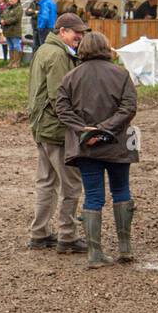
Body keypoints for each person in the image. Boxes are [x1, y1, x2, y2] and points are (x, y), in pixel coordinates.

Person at [55, 31, 139, 268]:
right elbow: (129, 107)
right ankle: (125, 248)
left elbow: (61, 109)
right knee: (121, 190)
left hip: (86, 147)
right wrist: (104, 130)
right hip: (117, 144)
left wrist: (86, 131)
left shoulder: (70, 77)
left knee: (93, 195)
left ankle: (95, 253)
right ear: (105, 47)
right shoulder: (121, 75)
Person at [28, 13, 88, 252]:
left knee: (46, 182)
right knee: (71, 185)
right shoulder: (58, 55)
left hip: (42, 126)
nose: (80, 36)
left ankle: (40, 232)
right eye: (76, 32)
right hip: (56, 129)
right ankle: (68, 235)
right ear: (62, 31)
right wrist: (78, 126)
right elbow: (59, 97)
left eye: (82, 32)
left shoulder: (44, 50)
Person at [0, 0, 24, 68]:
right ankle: (11, 61)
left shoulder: (19, 8)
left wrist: (5, 21)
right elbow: (2, 15)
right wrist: (1, 20)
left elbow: (16, 18)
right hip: (7, 31)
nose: (11, 0)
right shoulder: (7, 7)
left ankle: (17, 62)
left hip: (15, 30)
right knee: (10, 46)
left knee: (16, 45)